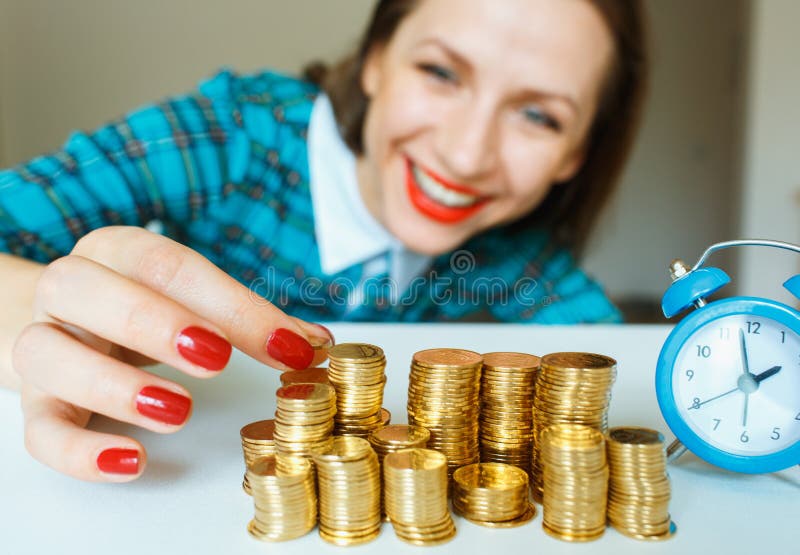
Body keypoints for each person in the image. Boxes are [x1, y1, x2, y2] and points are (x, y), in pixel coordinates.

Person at [0, 0, 648, 481]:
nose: (466, 153)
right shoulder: (233, 137)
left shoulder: (514, 246)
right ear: (373, 62)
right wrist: (35, 305)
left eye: (538, 115)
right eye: (440, 72)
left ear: (575, 154)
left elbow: (626, 357)